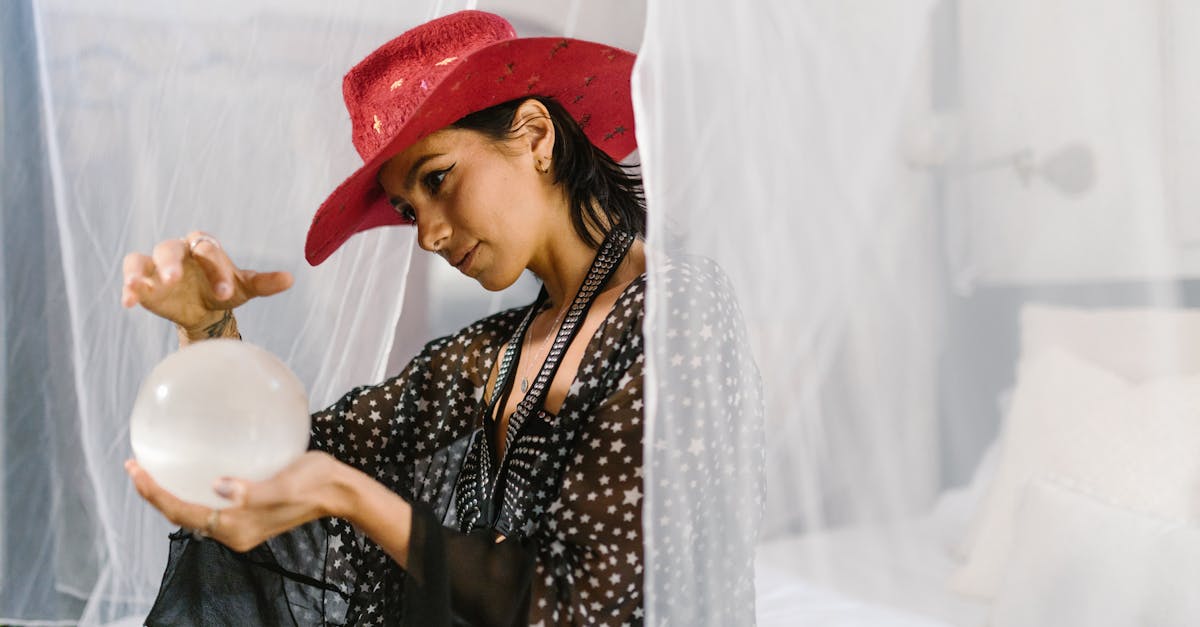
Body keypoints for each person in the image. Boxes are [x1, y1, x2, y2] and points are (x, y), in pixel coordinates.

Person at [120, 10, 758, 626]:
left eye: (438, 178)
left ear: (536, 136)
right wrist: (205, 327)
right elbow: (289, 461)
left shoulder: (678, 310)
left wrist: (352, 497)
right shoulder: (492, 355)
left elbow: (587, 607)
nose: (425, 235)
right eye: (406, 209)